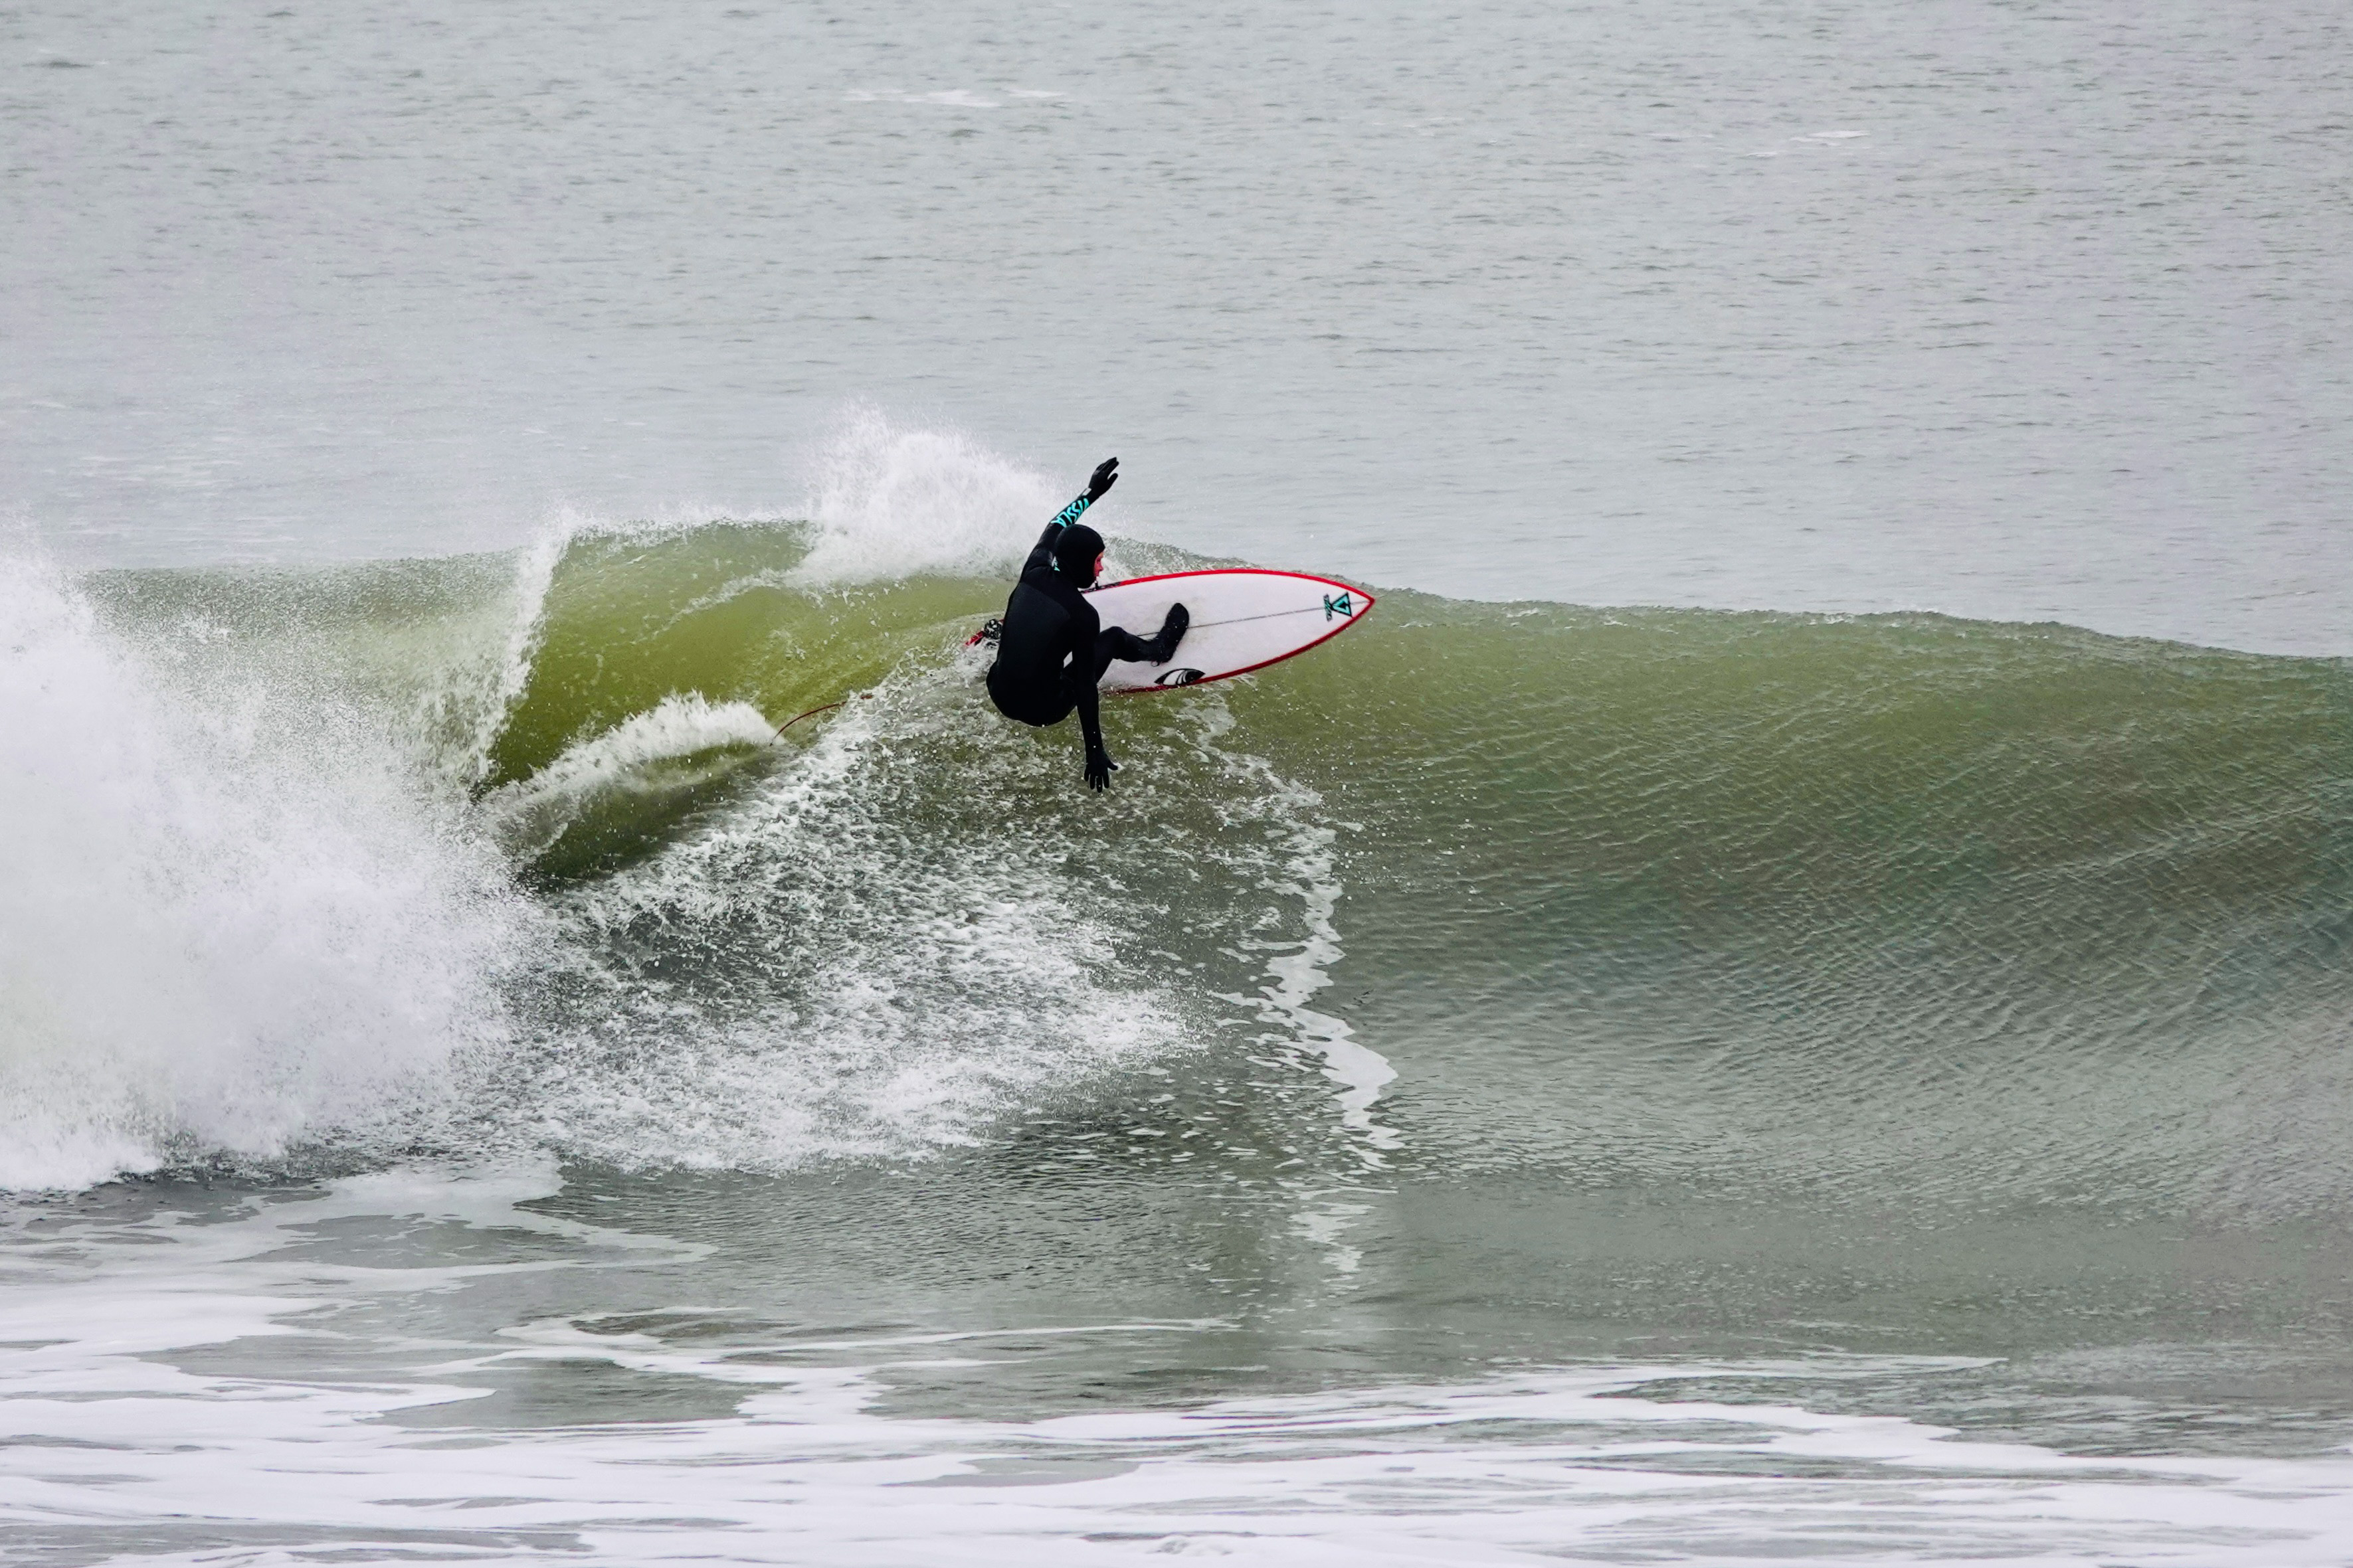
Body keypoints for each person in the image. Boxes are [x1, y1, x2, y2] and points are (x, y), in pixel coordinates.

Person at [985, 457, 1188, 790]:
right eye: (1098, 561)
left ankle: (1001, 636)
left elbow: (1056, 525)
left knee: (1015, 621)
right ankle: (1161, 649)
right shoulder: (1082, 615)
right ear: (1082, 564)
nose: (1101, 569)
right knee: (1113, 639)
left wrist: (1091, 493)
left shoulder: (1035, 568)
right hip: (1043, 710)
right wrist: (1094, 749)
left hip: (998, 692)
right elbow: (1083, 685)